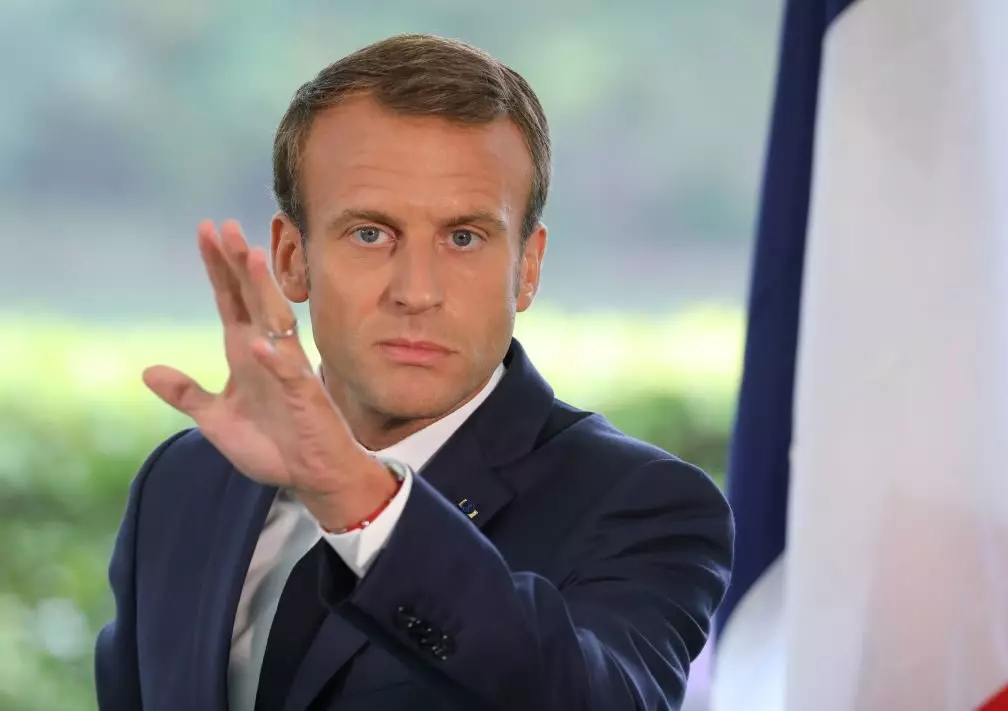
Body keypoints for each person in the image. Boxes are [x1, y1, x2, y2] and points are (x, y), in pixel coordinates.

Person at [94, 33, 734, 711]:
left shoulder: (644, 504)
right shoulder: (185, 481)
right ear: (291, 257)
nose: (417, 290)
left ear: (528, 266)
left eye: (464, 237)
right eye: (371, 232)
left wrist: (356, 496)